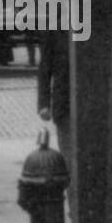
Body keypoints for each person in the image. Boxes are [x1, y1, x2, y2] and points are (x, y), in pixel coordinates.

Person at [37, 24, 72, 172]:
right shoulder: (54, 30)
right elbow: (45, 68)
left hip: (90, 105)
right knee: (68, 157)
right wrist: (44, 103)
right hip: (64, 103)